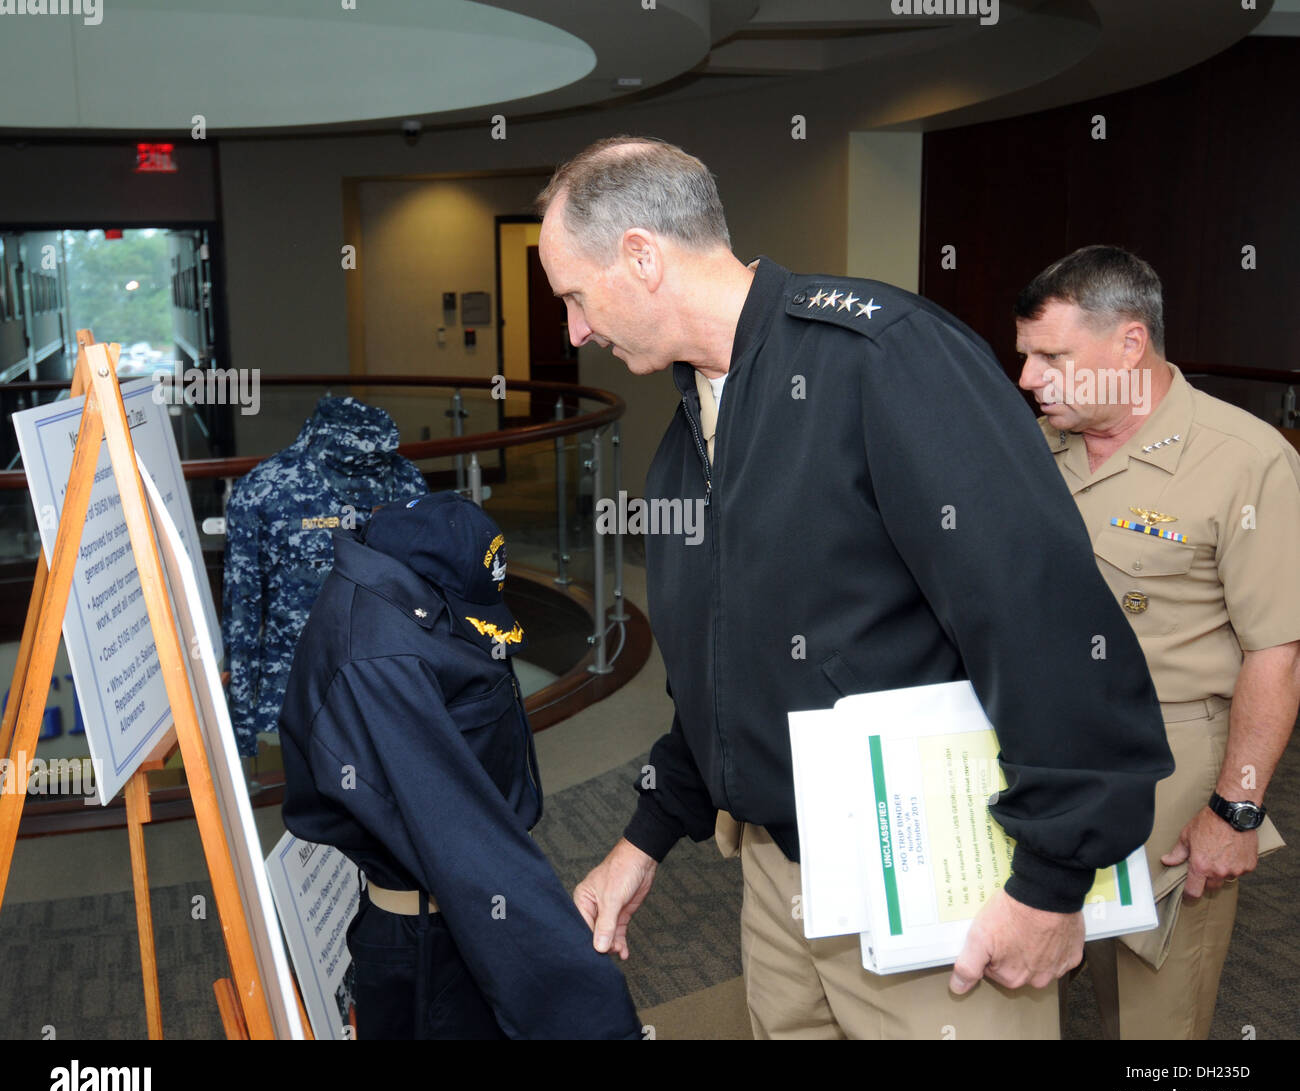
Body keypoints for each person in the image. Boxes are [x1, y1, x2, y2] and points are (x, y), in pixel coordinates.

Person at [536, 137, 1173, 1039]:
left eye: (573, 296)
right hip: (780, 881)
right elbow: (723, 673)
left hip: (938, 894)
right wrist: (646, 835)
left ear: (641, 256)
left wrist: (1053, 881)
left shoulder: (882, 358)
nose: (575, 331)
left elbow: (1040, 614)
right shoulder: (686, 436)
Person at [1013, 246, 1300, 1039]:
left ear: (1130, 345)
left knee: (1150, 1014)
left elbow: (1276, 651)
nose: (1030, 379)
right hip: (1040, 749)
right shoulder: (1038, 448)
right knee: (1031, 975)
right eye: (1026, 357)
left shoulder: (1245, 461)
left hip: (1171, 760)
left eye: (1051, 357)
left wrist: (1235, 810)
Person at [278, 490, 642, 1039]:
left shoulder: (393, 594)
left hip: (450, 913)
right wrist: (597, 1017)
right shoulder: (382, 662)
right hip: (431, 935)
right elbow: (469, 850)